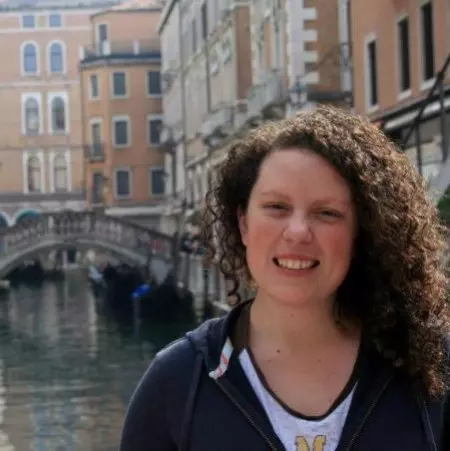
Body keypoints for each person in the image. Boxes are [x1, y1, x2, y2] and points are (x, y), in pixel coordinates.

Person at [119, 106, 450, 451]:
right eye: (277, 207)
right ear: (244, 223)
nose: (297, 232)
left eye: (327, 213)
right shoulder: (176, 384)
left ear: (361, 233)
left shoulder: (434, 368)